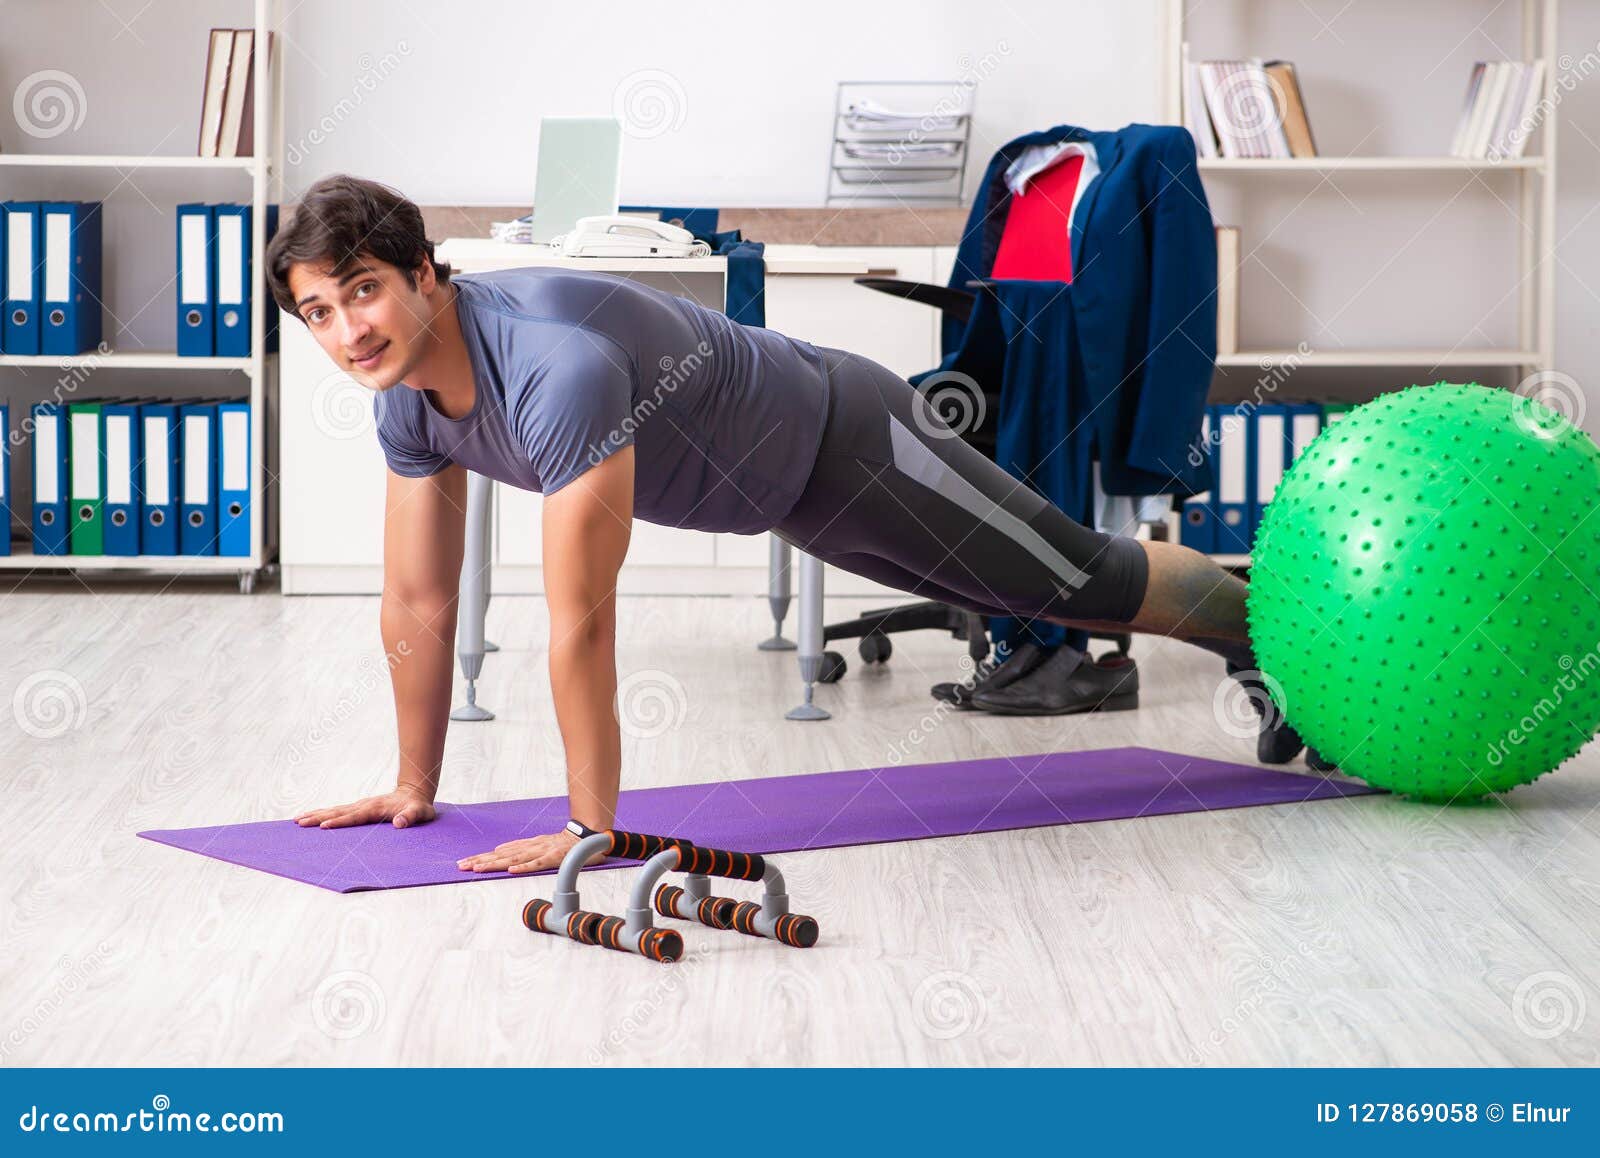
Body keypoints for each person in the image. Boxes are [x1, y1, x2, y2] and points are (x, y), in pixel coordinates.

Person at [268, 175, 1301, 875]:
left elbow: (581, 622)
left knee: (1067, 581)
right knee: (1000, 592)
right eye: (319, 310)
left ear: (424, 276)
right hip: (789, 498)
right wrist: (412, 786)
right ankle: (1250, 633)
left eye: (363, 291)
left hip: (851, 437)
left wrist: (589, 830)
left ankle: (1269, 631)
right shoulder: (402, 396)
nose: (348, 330)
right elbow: (416, 599)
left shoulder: (554, 368)